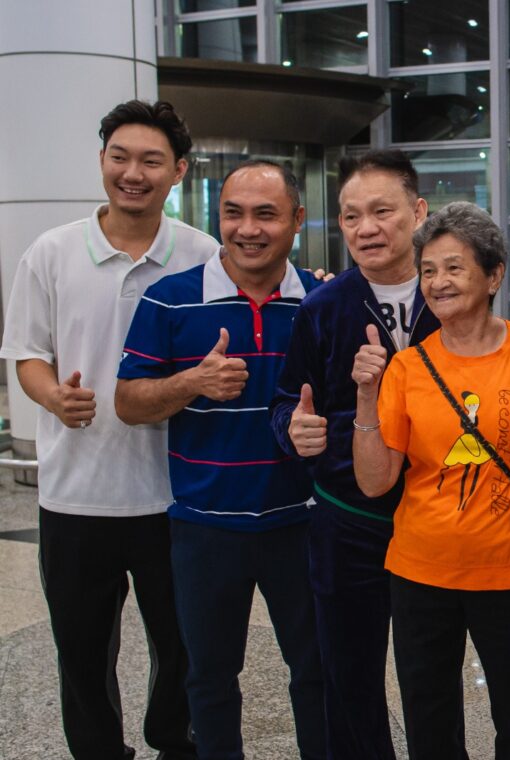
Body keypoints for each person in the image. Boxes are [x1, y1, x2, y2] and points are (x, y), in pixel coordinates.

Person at [0, 99, 216, 760]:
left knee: (182, 647)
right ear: (102, 162)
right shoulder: (53, 252)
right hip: (74, 499)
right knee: (82, 655)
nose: (133, 172)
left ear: (177, 170)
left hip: (175, 497)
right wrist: (53, 399)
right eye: (119, 157)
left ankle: (170, 741)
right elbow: (27, 353)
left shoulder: (201, 256)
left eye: (151, 160)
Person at [115, 161, 326, 759]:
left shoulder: (319, 299)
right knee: (208, 679)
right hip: (204, 527)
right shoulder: (171, 300)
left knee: (316, 672)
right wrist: (192, 383)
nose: (248, 229)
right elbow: (128, 402)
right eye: (233, 213)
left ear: (296, 220)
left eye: (266, 214)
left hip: (302, 523)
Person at [353, 201, 510, 760]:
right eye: (429, 271)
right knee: (430, 723)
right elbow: (375, 480)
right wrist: (366, 395)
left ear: (493, 275)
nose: (438, 283)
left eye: (454, 268)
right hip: (420, 572)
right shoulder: (407, 367)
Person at [270, 150, 439, 760]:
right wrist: (295, 429)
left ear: (418, 212)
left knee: (429, 677)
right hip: (346, 519)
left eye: (382, 211)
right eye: (350, 216)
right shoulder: (323, 307)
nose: (366, 228)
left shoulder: (452, 294)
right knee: (349, 675)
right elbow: (288, 401)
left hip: (433, 516)